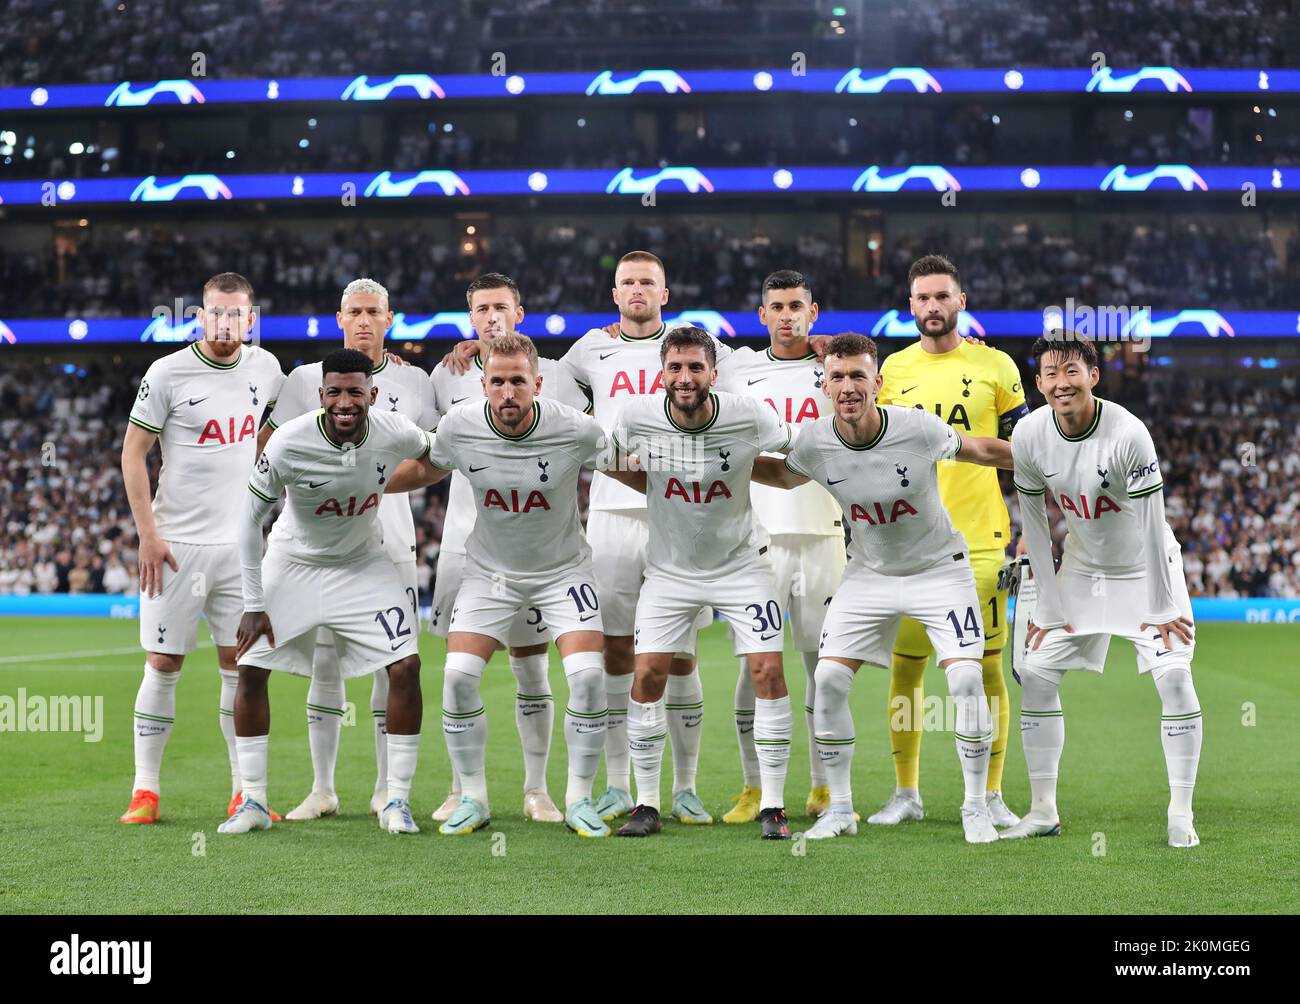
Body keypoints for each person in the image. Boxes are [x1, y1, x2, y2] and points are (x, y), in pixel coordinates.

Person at [753, 333, 1012, 843]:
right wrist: (704, 459)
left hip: (940, 570)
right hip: (868, 574)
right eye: (838, 377)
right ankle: (841, 809)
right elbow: (783, 478)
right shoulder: (813, 440)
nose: (847, 387)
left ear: (878, 382)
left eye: (857, 376)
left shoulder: (917, 428)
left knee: (965, 682)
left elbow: (982, 449)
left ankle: (976, 806)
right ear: (823, 384)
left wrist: (1053, 460)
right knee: (826, 683)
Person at [387, 333, 626, 837]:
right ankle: (473, 797)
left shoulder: (576, 429)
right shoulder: (458, 426)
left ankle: (579, 797)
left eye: (519, 381)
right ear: (483, 384)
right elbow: (425, 467)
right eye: (498, 382)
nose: (509, 391)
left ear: (537, 384)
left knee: (585, 678)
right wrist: (364, 481)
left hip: (563, 573)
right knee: (456, 678)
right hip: (488, 574)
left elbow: (627, 465)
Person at [222, 349, 433, 836]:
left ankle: (396, 799)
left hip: (364, 563)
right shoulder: (288, 443)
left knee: (406, 664)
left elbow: (435, 455)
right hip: (294, 561)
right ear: (320, 396)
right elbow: (248, 521)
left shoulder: (395, 431)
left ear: (371, 395)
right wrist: (254, 605)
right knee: (250, 667)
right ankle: (252, 799)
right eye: (335, 392)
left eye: (355, 392)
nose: (345, 401)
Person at [1006, 332, 1202, 849]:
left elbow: (1153, 521)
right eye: (1050, 373)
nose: (1060, 382)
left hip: (1145, 568)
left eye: (1072, 370)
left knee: (1175, 679)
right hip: (1083, 569)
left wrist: (1161, 606)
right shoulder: (1028, 435)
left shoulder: (1128, 433)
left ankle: (1180, 812)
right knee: (1036, 672)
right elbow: (1036, 523)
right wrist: (1046, 608)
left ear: (1094, 375)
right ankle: (1043, 809)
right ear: (1039, 382)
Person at [260, 278, 438, 821]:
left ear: (390, 319)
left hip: (390, 534)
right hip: (314, 533)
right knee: (323, 660)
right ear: (340, 318)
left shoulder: (417, 381)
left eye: (374, 312)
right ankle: (322, 788)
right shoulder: (302, 381)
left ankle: (388, 788)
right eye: (355, 311)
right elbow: (271, 448)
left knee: (394, 660)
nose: (364, 320)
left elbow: (432, 459)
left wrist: (373, 480)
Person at [610, 327, 796, 839]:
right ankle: (646, 804)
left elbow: (797, 453)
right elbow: (606, 457)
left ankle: (774, 807)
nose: (685, 378)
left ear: (714, 374)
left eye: (695, 368)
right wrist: (653, 486)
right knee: (647, 674)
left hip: (742, 566)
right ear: (662, 374)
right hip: (669, 572)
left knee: (767, 673)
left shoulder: (749, 415)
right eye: (676, 368)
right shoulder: (635, 417)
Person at [119, 272, 285, 825]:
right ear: (199, 315)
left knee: (239, 667)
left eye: (236, 314)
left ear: (250, 320)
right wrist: (147, 534)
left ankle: (244, 791)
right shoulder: (166, 373)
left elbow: (266, 434)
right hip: (176, 546)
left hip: (240, 548)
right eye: (216, 312)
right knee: (164, 662)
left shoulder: (266, 368)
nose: (225, 323)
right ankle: (146, 791)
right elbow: (133, 454)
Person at [869, 254, 1028, 828]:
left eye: (942, 296)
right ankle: (906, 793)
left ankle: (989, 794)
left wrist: (951, 443)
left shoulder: (997, 367)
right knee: (907, 669)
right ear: (910, 306)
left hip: (981, 540)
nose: (932, 307)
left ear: (961, 301)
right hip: (908, 546)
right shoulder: (890, 371)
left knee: (985, 668)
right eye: (922, 298)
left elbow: (1023, 456)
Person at [426, 272, 590, 824]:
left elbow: (590, 445)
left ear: (519, 312)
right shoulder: (444, 376)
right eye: (481, 309)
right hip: (464, 543)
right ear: (468, 316)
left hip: (540, 546)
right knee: (458, 671)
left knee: (530, 667)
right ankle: (462, 788)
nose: (491, 317)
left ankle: (538, 789)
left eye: (501, 307)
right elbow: (424, 453)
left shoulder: (558, 373)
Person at [718, 269, 847, 824]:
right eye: (778, 306)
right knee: (755, 666)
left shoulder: (838, 367)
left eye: (798, 305)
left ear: (813, 313)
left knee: (824, 668)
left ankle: (822, 788)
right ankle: (753, 787)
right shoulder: (737, 369)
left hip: (825, 535)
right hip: (756, 540)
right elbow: (665, 348)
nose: (788, 314)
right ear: (762, 315)